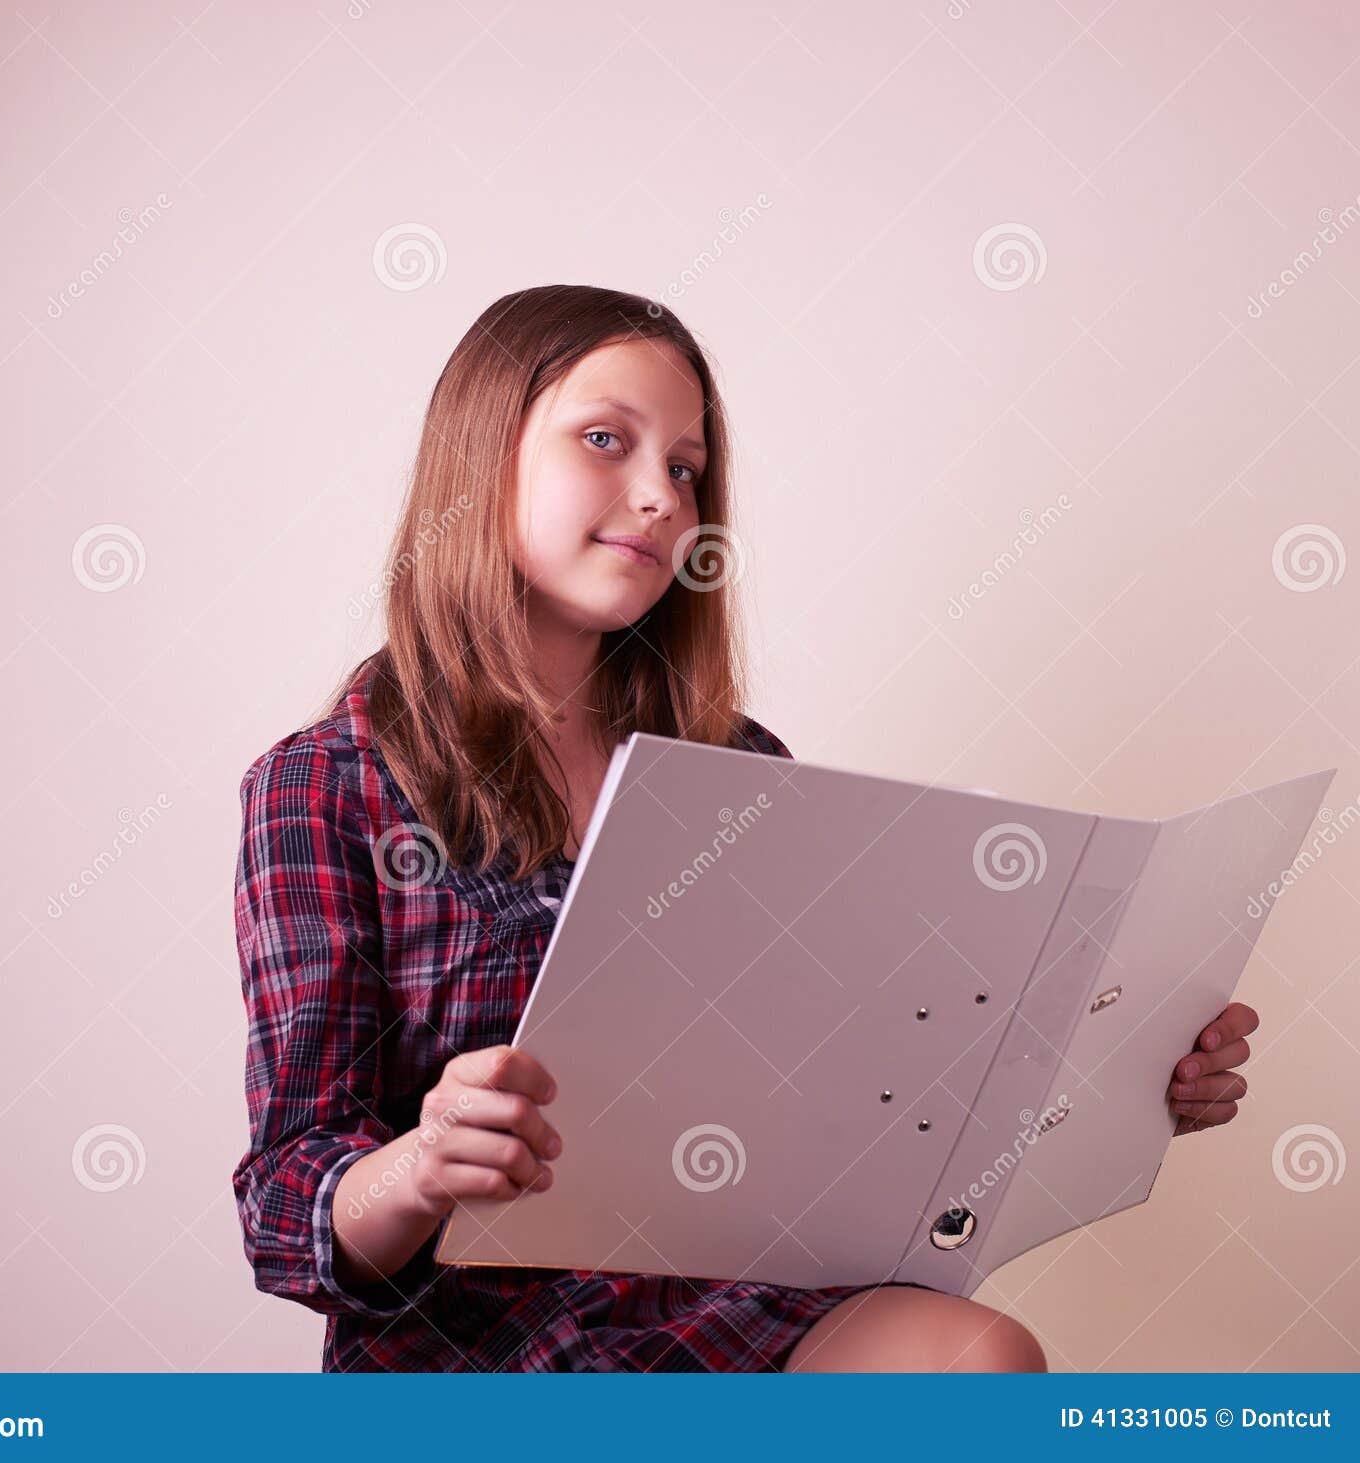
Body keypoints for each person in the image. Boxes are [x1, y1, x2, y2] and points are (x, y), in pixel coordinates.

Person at [231, 283, 1252, 1371]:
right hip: (473, 1349)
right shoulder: (324, 783)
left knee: (975, 1359)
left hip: (725, 1309)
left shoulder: (743, 768)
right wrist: (425, 1164)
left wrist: (1118, 1075)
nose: (660, 496)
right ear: (481, 459)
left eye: (682, 466)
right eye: (604, 440)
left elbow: (856, 1077)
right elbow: (285, 1203)